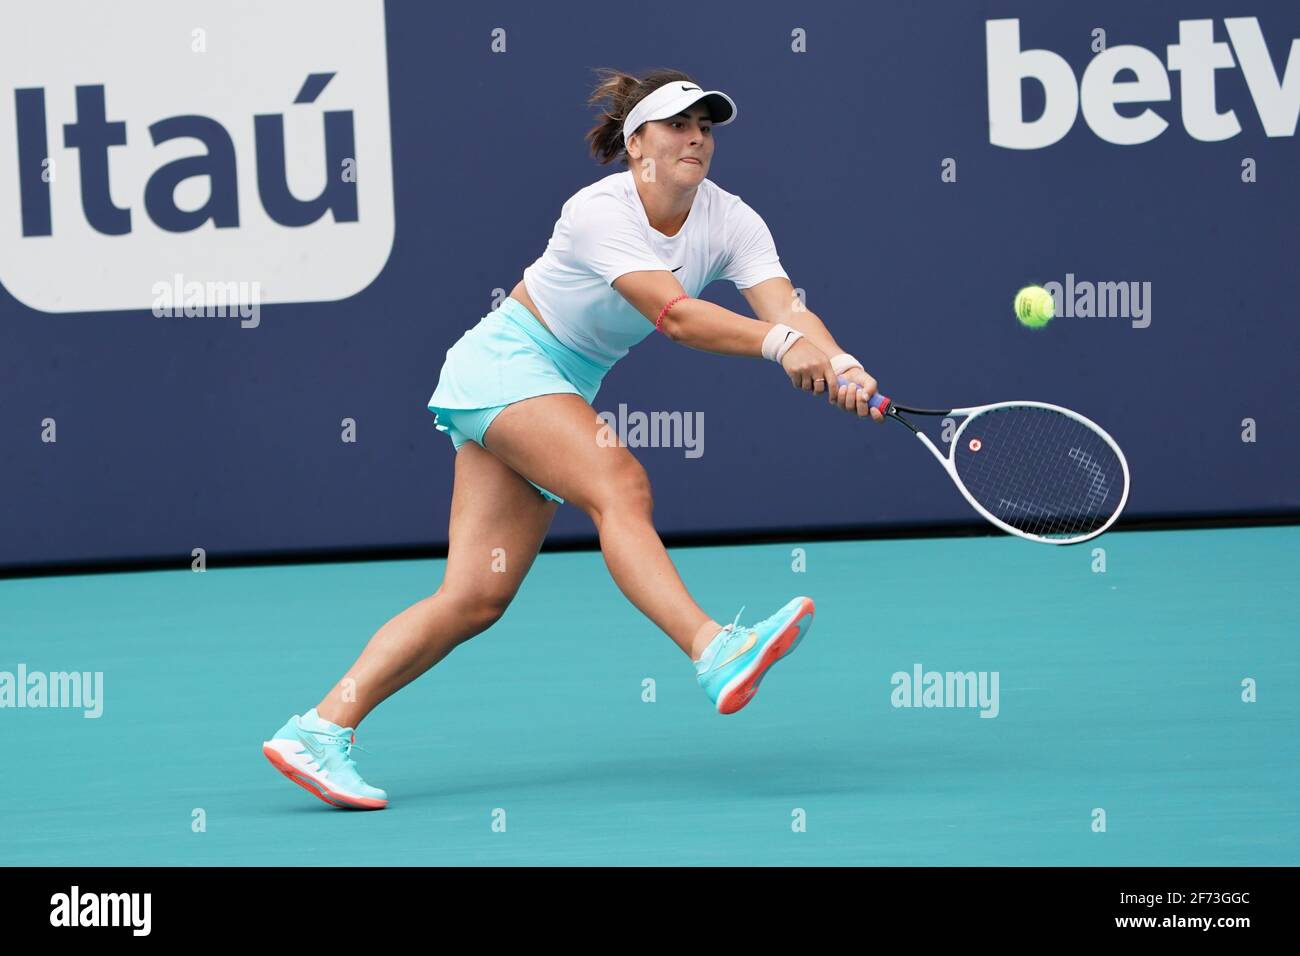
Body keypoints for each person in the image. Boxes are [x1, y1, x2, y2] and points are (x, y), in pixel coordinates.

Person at [262, 67, 884, 810]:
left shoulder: (733, 220)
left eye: (705, 127)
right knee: (618, 483)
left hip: (553, 388)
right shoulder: (599, 212)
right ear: (637, 143)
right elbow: (679, 316)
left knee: (473, 597)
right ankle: (714, 649)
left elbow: (786, 307)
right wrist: (784, 349)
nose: (695, 138)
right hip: (505, 365)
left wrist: (840, 363)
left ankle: (319, 729)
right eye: (678, 125)